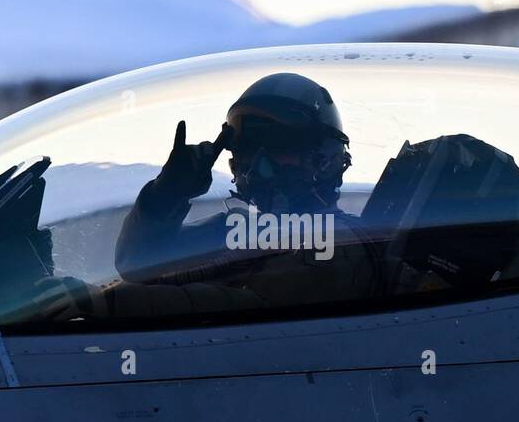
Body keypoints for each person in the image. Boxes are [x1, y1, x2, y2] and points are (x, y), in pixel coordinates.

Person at [110, 73, 384, 311]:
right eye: (248, 148)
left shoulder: (343, 242)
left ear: (323, 158)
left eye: (279, 145)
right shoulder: (242, 232)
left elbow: (253, 307)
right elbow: (137, 265)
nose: (258, 163)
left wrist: (106, 303)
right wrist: (166, 193)